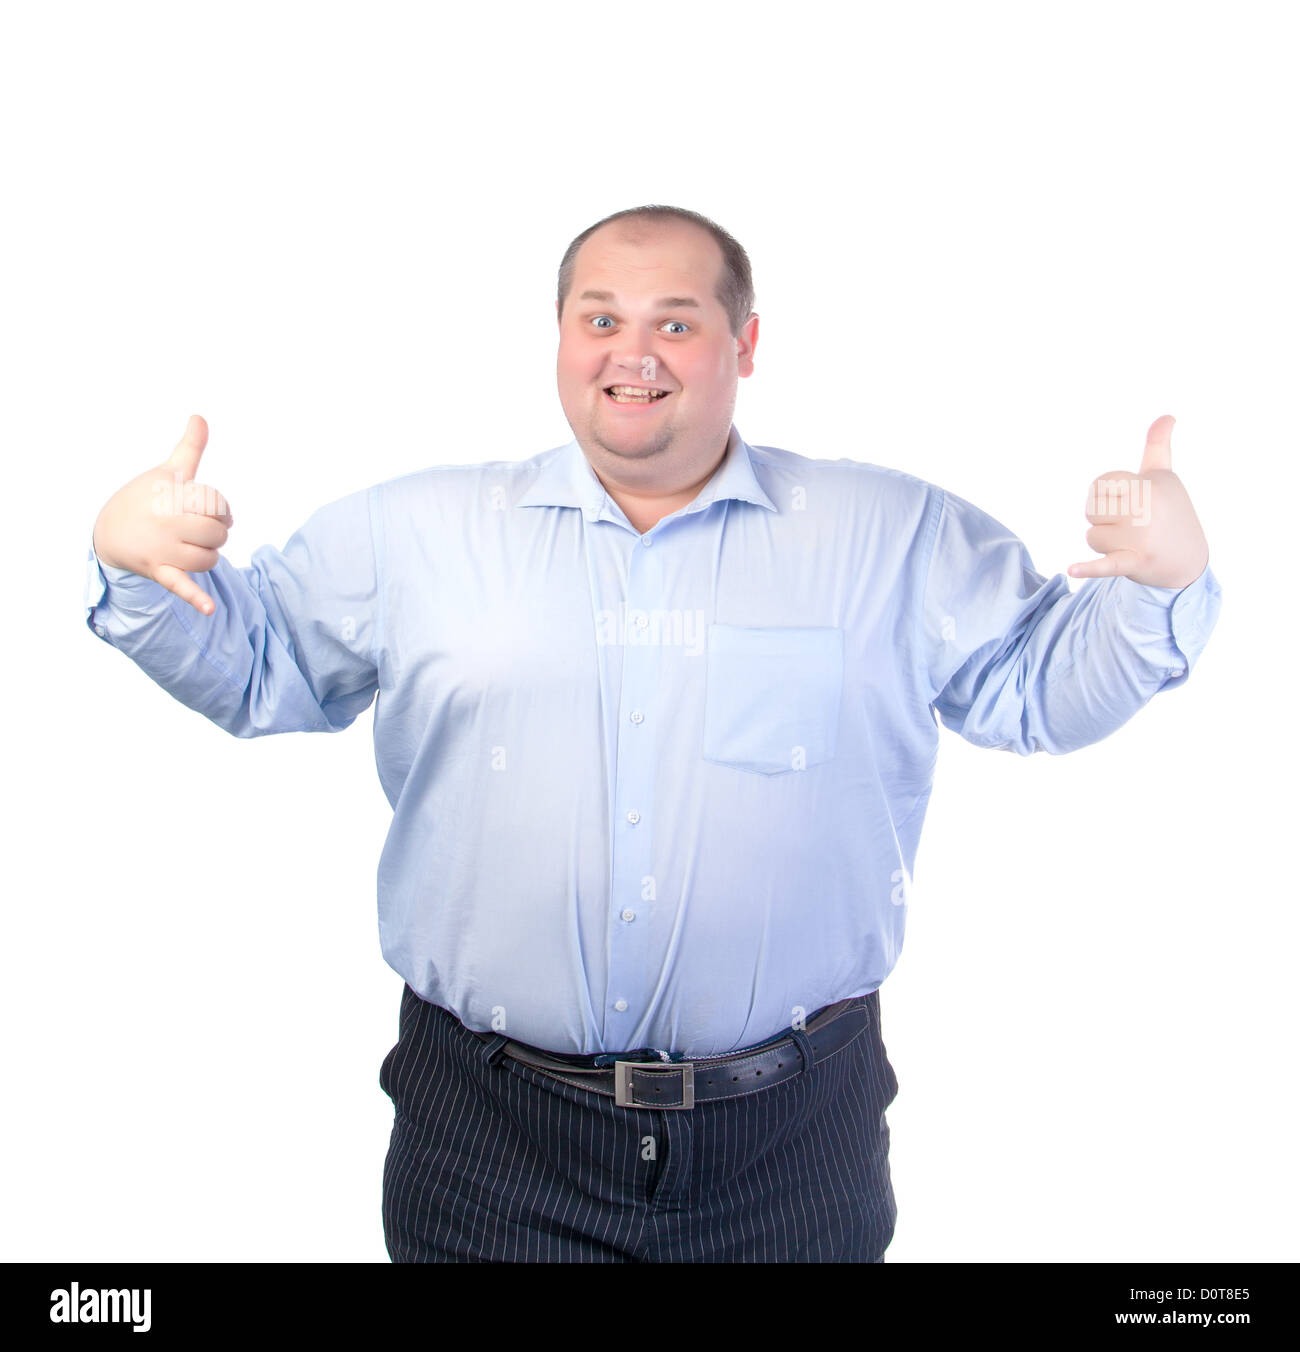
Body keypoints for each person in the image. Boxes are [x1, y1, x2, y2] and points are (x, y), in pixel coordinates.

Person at [84, 204, 1222, 1263]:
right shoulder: (409, 532)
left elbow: (1034, 685)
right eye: (601, 319)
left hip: (793, 1138)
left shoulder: (891, 534)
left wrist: (1159, 584)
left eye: (676, 321)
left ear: (745, 341)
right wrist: (140, 569)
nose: (635, 353)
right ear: (561, 336)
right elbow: (260, 666)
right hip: (487, 1136)